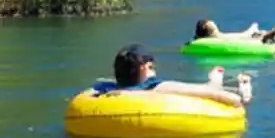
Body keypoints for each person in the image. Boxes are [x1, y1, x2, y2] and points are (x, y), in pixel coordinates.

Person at [90, 45, 252, 107]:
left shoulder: (107, 88)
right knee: (211, 86)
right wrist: (244, 97)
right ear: (147, 68)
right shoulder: (157, 86)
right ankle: (216, 75)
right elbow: (213, 94)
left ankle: (216, 74)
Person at [193, 6, 275, 54]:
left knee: (266, 35)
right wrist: (252, 29)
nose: (213, 21)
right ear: (207, 28)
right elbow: (241, 36)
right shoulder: (218, 38)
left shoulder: (218, 37)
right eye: (210, 22)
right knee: (265, 36)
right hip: (253, 42)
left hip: (249, 41)